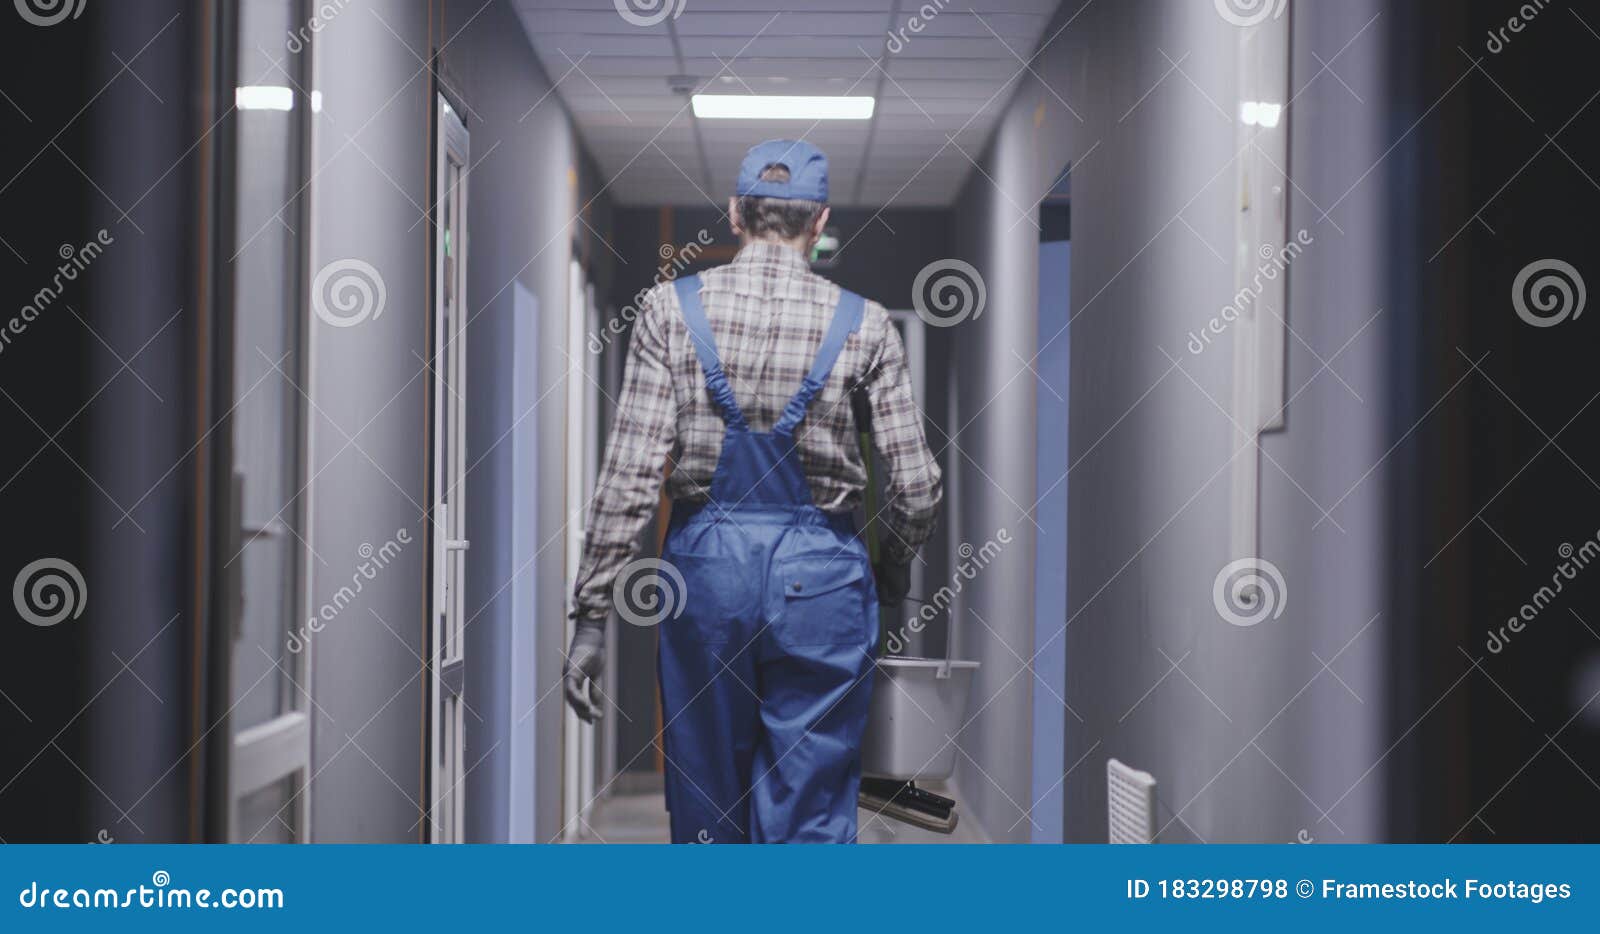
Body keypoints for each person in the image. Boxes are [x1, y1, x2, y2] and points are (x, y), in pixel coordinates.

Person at [562, 139, 942, 843]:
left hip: (706, 578)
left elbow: (630, 475)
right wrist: (890, 568)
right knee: (811, 803)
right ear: (818, 223)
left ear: (735, 213)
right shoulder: (866, 324)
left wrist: (591, 615)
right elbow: (916, 487)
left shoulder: (668, 310)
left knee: (708, 801)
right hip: (824, 580)